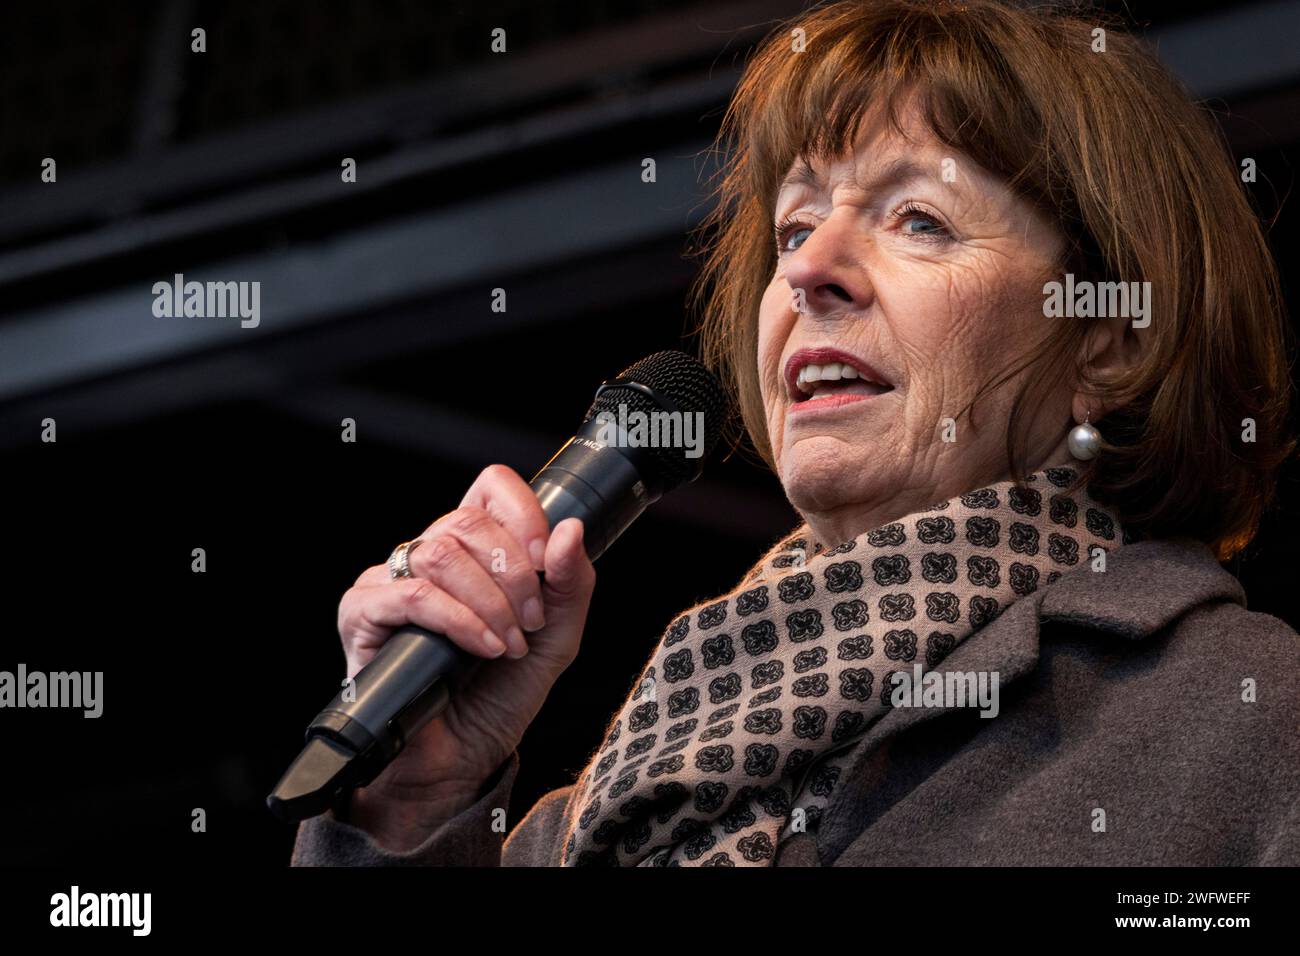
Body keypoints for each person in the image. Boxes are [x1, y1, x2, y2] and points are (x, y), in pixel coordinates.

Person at [292, 0, 1300, 866]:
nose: (812, 269)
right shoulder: (582, 821)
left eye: (919, 220)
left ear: (1108, 340)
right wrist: (414, 807)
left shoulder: (1250, 724)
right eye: (793, 227)